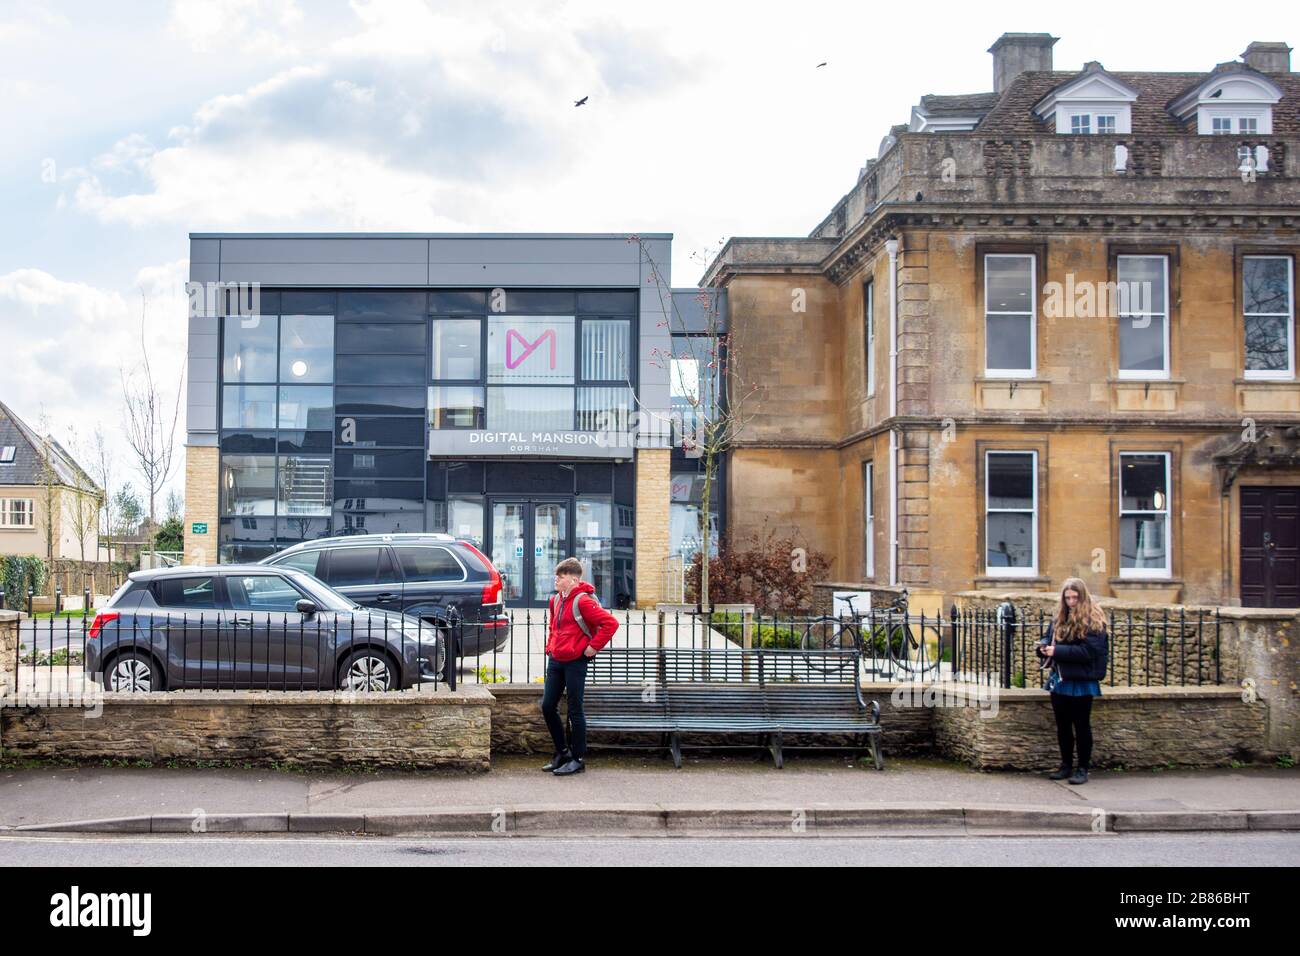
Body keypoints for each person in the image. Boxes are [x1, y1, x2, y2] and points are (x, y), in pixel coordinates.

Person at [540, 557, 618, 776]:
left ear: (573, 579)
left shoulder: (583, 601)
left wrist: (593, 647)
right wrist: (550, 647)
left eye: (561, 576)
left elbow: (610, 624)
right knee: (547, 706)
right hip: (556, 660)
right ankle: (562, 752)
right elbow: (553, 627)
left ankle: (578, 758)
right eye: (557, 575)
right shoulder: (555, 600)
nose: (557, 579)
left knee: (575, 710)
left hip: (575, 662)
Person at [1035, 577, 1109, 785]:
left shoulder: (1094, 619)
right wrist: (1043, 648)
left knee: (1082, 725)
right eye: (1067, 597)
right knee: (1062, 725)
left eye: (1074, 597)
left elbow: (1089, 651)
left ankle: (1082, 768)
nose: (1071, 601)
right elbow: (1048, 637)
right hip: (1060, 678)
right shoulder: (1060, 616)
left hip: (1081, 679)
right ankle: (1065, 765)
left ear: (1082, 597)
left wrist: (1057, 651)